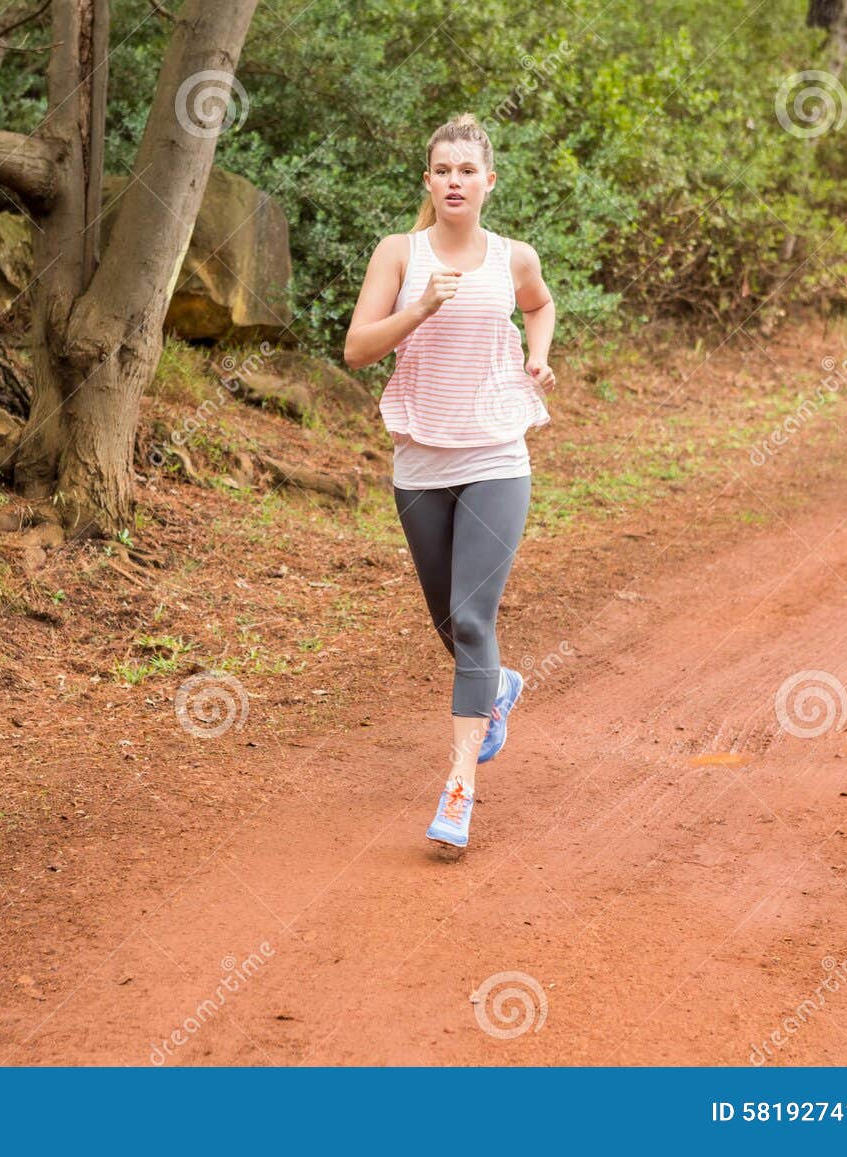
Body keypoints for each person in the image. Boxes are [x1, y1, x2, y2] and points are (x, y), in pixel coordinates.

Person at [343, 113, 557, 850]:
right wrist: (423, 307)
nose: (455, 181)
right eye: (443, 170)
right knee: (449, 624)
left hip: (497, 454)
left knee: (472, 620)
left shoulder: (512, 257)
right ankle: (495, 686)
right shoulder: (399, 254)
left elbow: (540, 303)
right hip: (420, 463)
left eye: (468, 170)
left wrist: (537, 354)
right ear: (428, 182)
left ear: (488, 182)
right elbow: (355, 350)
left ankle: (460, 787)